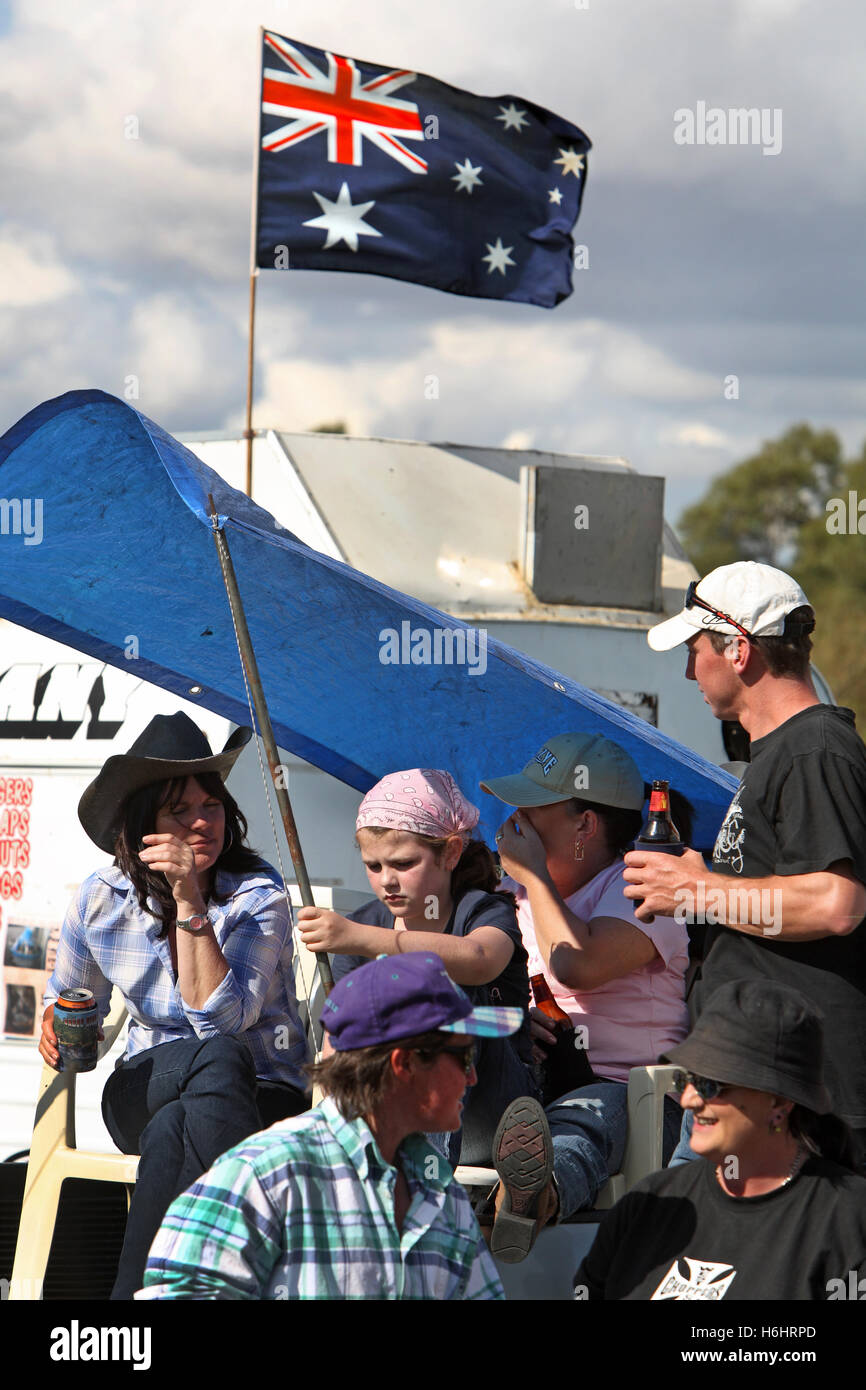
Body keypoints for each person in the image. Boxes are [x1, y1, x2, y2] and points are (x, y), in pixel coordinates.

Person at [40, 712, 309, 1299]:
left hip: (265, 1094)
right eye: (179, 811)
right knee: (201, 1073)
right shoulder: (100, 898)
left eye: (211, 805)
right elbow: (71, 997)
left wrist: (190, 898)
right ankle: (252, 1244)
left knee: (179, 1122)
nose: (202, 822)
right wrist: (58, 1022)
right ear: (142, 828)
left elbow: (223, 1020)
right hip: (144, 1083)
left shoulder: (257, 898)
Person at [623, 562, 866, 1159]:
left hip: (795, 1106)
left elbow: (838, 905)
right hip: (747, 1084)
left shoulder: (816, 751)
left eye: (694, 648)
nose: (687, 671)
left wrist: (699, 891)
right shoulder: (787, 753)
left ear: (737, 650)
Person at [139, 951, 520, 1299]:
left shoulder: (444, 1196)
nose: (473, 1078)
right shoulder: (266, 1173)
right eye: (465, 1057)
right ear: (404, 1064)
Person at [478, 732, 690, 1260]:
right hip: (523, 1081)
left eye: (532, 807)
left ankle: (535, 1193)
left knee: (585, 1121)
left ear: (585, 826)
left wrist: (532, 875)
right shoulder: (506, 898)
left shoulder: (644, 887)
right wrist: (512, 1018)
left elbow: (575, 963)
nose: (514, 820)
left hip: (631, 1096)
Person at [297, 768, 536, 1164]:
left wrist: (365, 941)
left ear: (452, 853)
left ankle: (418, 1180)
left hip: (496, 1116)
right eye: (373, 867)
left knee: (440, 991)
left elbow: (480, 961)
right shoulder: (363, 925)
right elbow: (336, 1050)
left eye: (403, 864)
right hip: (390, 1113)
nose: (387, 881)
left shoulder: (483, 911)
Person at [575, 978, 866, 1300]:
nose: (688, 1100)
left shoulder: (847, 1220)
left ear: (780, 1102)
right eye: (687, 1079)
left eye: (711, 1086)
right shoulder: (649, 1203)